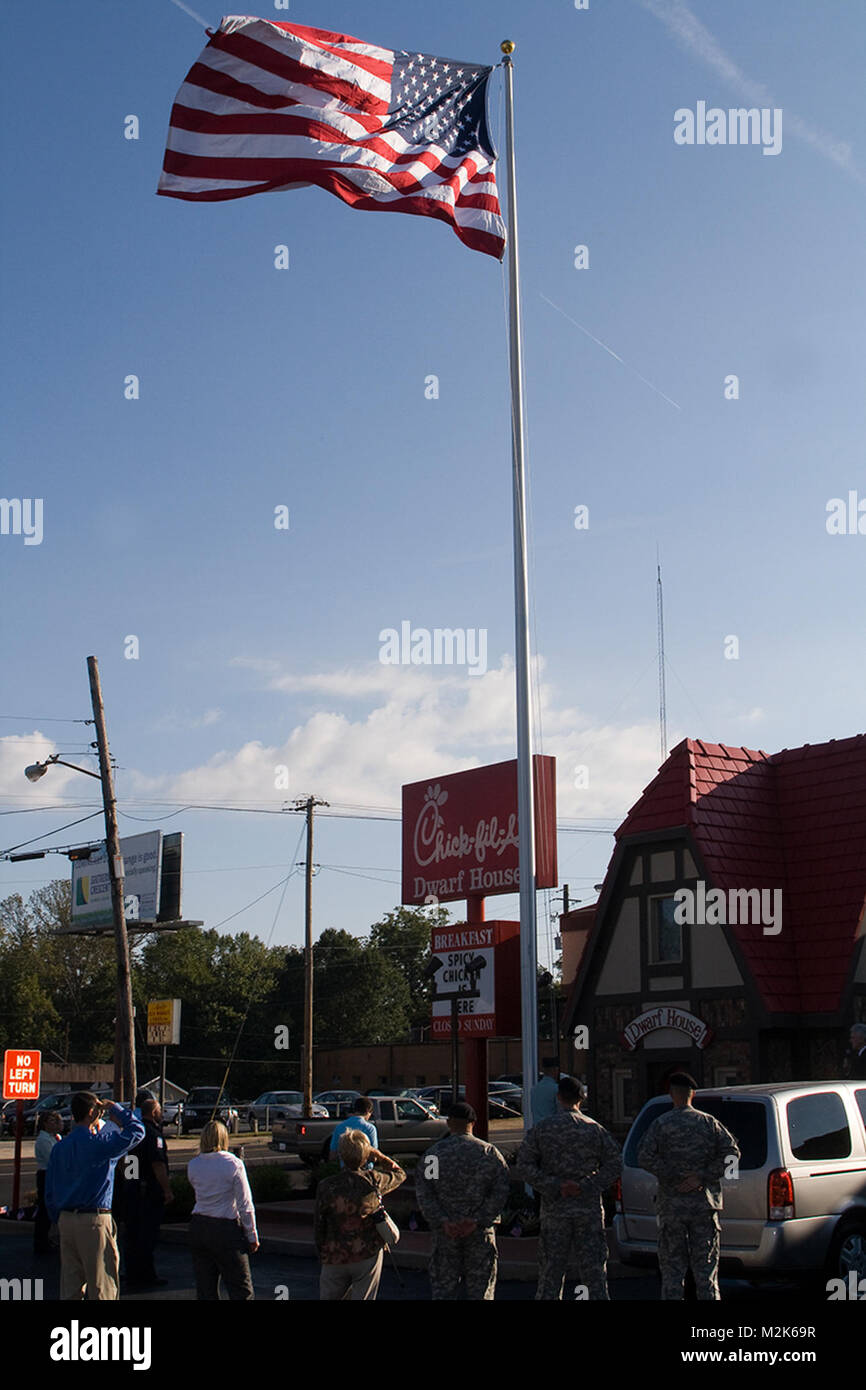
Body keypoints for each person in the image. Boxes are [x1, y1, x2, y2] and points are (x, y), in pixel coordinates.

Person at [637, 1071, 740, 1301]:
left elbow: (643, 1156)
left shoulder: (660, 1124)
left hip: (672, 1207)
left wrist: (672, 1176)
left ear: (672, 1095)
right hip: (703, 1205)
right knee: (706, 1274)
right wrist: (701, 1177)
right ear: (692, 1094)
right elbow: (732, 1155)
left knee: (673, 1274)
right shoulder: (708, 1123)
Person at [517, 1075, 621, 1300]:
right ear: (581, 1098)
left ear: (558, 1098)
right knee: (594, 1276)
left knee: (550, 1275)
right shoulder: (595, 1129)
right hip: (588, 1212)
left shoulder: (542, 1129)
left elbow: (524, 1164)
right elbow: (615, 1163)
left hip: (555, 1212)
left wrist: (555, 1185)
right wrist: (587, 1185)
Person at [45, 1093, 145, 1300]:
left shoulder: (59, 1148)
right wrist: (115, 1109)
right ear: (92, 1113)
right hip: (93, 1219)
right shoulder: (100, 1144)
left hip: (66, 1218)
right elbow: (137, 1131)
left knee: (71, 1286)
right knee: (102, 1287)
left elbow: (49, 1190)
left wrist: (56, 1219)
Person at [416, 1101, 511, 1300]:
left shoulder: (434, 1155)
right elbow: (500, 1192)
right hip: (480, 1233)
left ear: (449, 1123)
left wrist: (443, 1220)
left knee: (444, 1290)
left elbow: (426, 1193)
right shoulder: (488, 1153)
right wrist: (477, 1220)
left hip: (445, 1234)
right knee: (481, 1291)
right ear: (473, 1123)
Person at [315, 1129, 405, 1300]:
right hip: (366, 1252)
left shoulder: (326, 1186)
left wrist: (322, 1251)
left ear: (341, 1154)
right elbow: (400, 1174)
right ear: (366, 1154)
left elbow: (319, 1223)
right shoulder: (373, 1180)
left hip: (335, 1254)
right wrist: (379, 1156)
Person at [187, 1120, 258, 1300]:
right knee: (241, 1289)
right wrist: (251, 1235)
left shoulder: (193, 1165)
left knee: (206, 1289)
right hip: (225, 1228)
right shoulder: (233, 1164)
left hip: (199, 1225)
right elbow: (245, 1204)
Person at [122, 1097, 172, 1289]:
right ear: (153, 1112)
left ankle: (132, 1272)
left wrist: (131, 1182)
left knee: (132, 1234)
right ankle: (146, 1274)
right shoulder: (152, 1134)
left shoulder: (134, 1133)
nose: (161, 1113)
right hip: (149, 1191)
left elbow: (127, 1161)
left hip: (133, 1189)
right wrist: (166, 1189)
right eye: (160, 1110)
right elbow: (157, 1164)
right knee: (147, 1235)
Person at [329, 1096, 397, 1171]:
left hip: (346, 1171)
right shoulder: (370, 1128)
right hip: (365, 1171)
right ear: (369, 1112)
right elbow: (373, 1156)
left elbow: (333, 1155)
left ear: (355, 1110)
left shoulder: (340, 1127)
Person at [34, 1110, 62, 1255]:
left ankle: (49, 1238)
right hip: (46, 1174)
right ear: (44, 1123)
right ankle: (41, 1242)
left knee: (51, 1207)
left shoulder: (55, 1137)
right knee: (44, 1209)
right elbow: (54, 1158)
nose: (55, 1124)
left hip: (54, 1175)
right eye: (51, 1121)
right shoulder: (43, 1140)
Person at [530, 1057, 562, 1124]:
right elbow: (560, 1111)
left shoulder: (534, 1089)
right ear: (555, 1070)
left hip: (537, 1129)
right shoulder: (556, 1089)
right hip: (551, 1128)